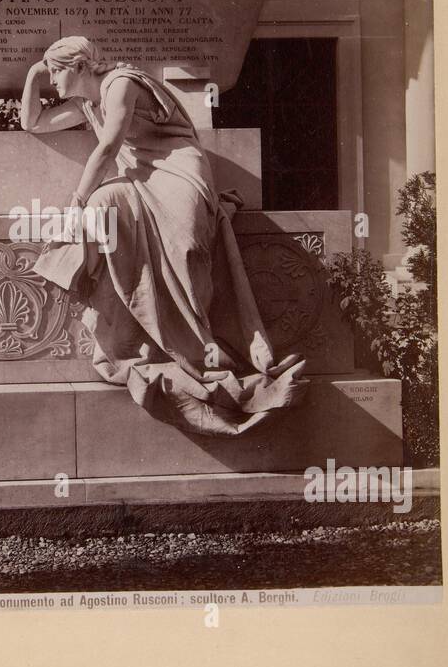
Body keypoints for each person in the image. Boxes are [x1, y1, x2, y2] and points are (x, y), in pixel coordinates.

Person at [19, 36, 307, 436]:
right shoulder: (87, 103)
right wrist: (33, 72)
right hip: (139, 180)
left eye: (55, 70)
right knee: (104, 207)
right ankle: (134, 327)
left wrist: (76, 198)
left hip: (177, 172)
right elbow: (31, 122)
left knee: (185, 246)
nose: (52, 79)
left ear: (80, 66)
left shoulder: (121, 84)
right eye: (48, 71)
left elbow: (109, 145)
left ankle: (201, 349)